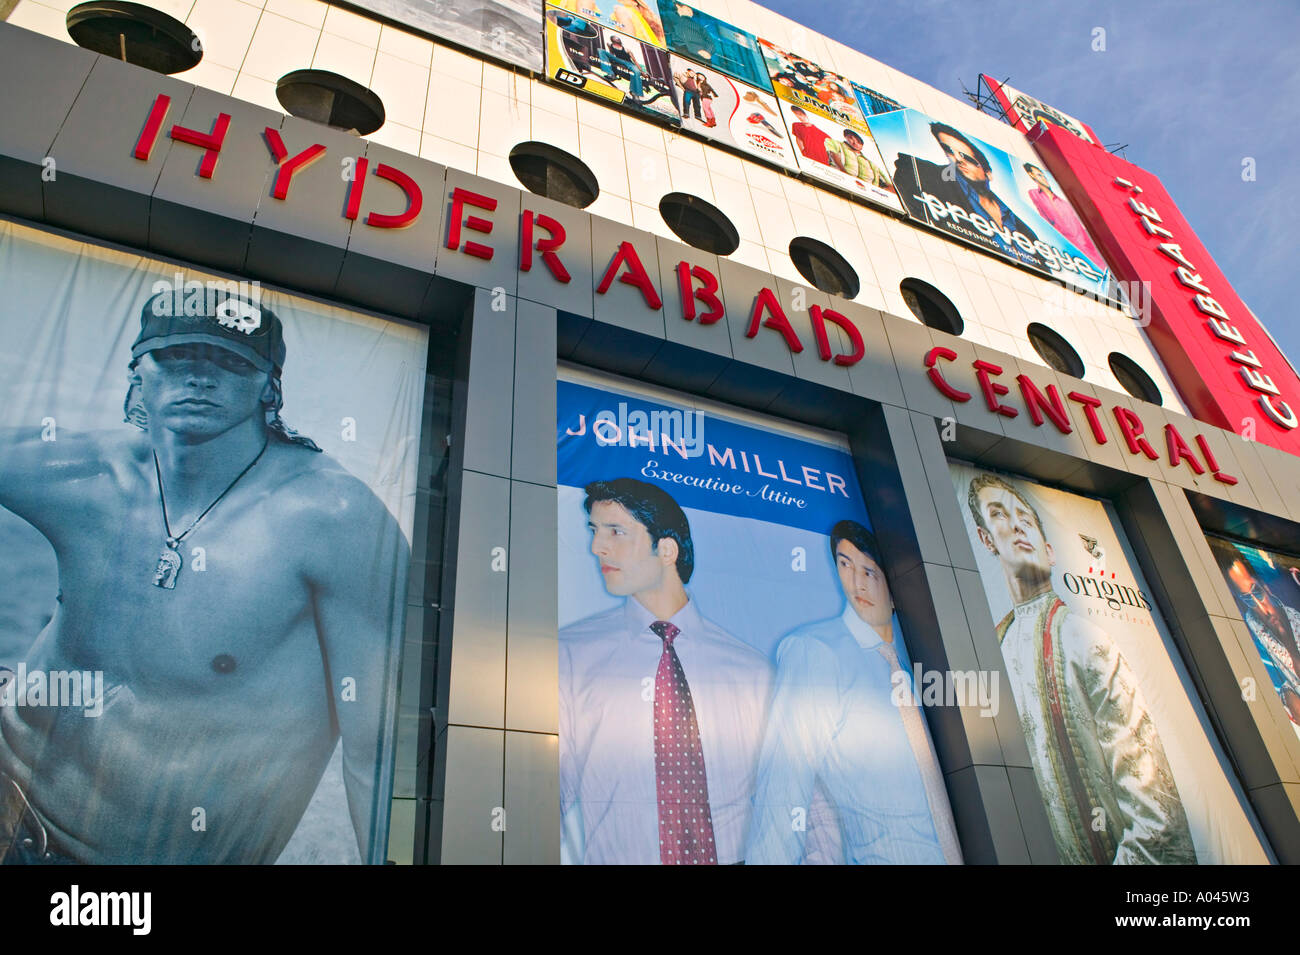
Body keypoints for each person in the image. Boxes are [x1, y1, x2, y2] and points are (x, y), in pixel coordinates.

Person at [0, 290, 405, 864]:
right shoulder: (88, 473)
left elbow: (378, 751)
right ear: (139, 372)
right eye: (177, 357)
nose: (199, 379)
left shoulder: (333, 520)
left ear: (269, 384)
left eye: (230, 361)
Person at [966, 474, 1195, 864]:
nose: (1017, 523)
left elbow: (1157, 811)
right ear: (986, 539)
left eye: (1025, 515)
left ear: (1051, 550)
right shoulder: (994, 646)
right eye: (999, 514)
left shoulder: (1083, 637)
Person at [559, 478, 772, 864]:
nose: (596, 547)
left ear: (667, 549)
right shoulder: (571, 654)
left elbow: (801, 797)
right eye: (595, 531)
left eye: (616, 531)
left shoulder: (752, 670)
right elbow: (547, 793)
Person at [748, 521, 963, 864]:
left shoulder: (919, 663)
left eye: (869, 571)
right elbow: (784, 786)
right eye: (845, 564)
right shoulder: (816, 651)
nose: (856, 582)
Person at [891, 122, 1043, 268]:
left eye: (967, 158)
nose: (958, 160)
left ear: (988, 173)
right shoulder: (920, 175)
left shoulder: (1026, 232)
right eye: (949, 151)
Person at [1222, 557, 1300, 725]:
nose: (1260, 605)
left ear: (1264, 585)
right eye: (1248, 599)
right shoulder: (1250, 634)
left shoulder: (1295, 605)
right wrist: (1285, 694)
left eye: (1257, 591)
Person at [1023, 162, 1104, 263]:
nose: (1044, 178)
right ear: (1031, 175)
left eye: (1043, 175)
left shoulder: (1063, 199)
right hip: (1064, 247)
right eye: (1039, 175)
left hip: (1085, 245)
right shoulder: (1033, 194)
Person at [825, 128, 893, 191]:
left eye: (858, 141)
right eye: (851, 138)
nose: (854, 142)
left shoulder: (872, 165)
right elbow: (833, 154)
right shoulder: (836, 144)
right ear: (846, 138)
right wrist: (846, 177)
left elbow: (889, 185)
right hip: (839, 183)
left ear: (862, 145)